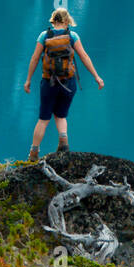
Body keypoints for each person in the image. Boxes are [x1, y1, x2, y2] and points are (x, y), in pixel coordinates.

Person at [24, 8, 103, 161]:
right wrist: (97, 77)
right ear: (67, 21)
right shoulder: (72, 36)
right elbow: (84, 56)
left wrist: (28, 80)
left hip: (49, 82)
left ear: (53, 20)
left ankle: (34, 152)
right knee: (60, 115)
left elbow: (34, 58)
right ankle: (64, 144)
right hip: (68, 82)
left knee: (43, 119)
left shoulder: (44, 36)